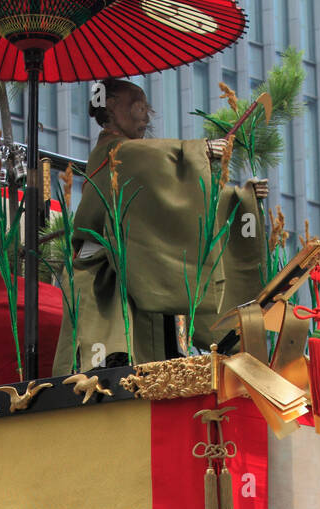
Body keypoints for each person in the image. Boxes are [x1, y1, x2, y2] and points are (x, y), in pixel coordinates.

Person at [52, 77, 268, 373]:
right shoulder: (112, 153)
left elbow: (180, 205)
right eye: (138, 105)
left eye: (147, 108)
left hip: (140, 268)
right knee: (116, 360)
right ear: (112, 105)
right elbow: (140, 159)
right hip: (105, 270)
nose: (145, 114)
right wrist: (196, 151)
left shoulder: (138, 157)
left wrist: (241, 198)